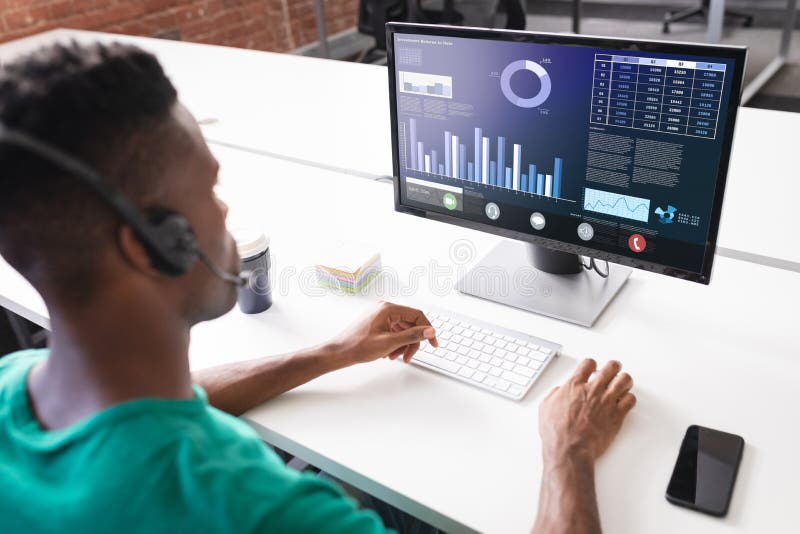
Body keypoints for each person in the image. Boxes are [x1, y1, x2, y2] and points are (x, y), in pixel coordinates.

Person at [0, 42, 635, 533]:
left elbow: (150, 413)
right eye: (211, 193)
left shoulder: (17, 383)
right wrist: (568, 453)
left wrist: (330, 354)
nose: (226, 214)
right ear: (160, 244)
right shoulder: (262, 510)